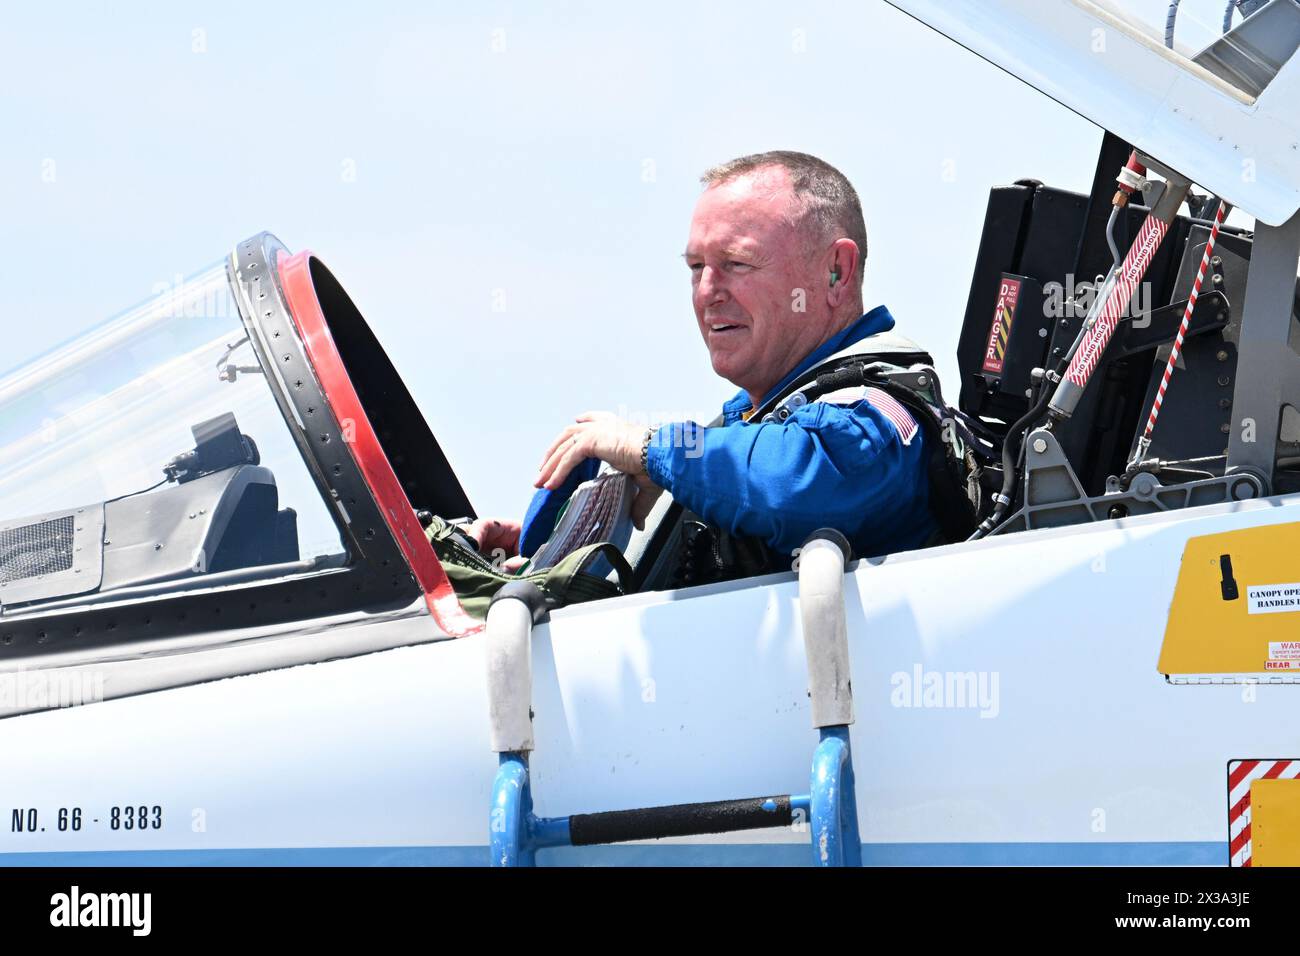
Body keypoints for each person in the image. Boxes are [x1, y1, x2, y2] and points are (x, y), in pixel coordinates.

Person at [469, 150, 935, 574]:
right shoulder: (741, 436)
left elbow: (803, 478)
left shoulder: (881, 412)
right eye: (696, 267)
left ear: (836, 272)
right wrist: (558, 549)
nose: (708, 292)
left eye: (737, 263)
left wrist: (652, 450)